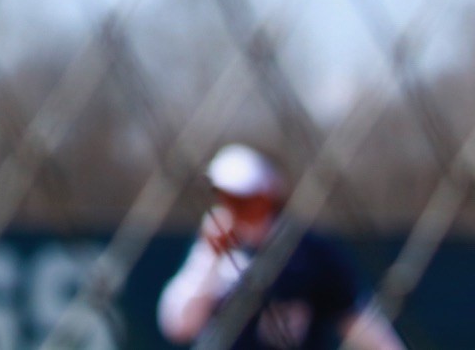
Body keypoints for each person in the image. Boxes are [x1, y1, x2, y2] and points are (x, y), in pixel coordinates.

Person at [158, 144, 406, 349]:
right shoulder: (211, 245)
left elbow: (360, 323)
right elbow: (179, 327)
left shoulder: (311, 253)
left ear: (267, 196)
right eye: (224, 196)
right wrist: (209, 258)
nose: (232, 207)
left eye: (242, 198)